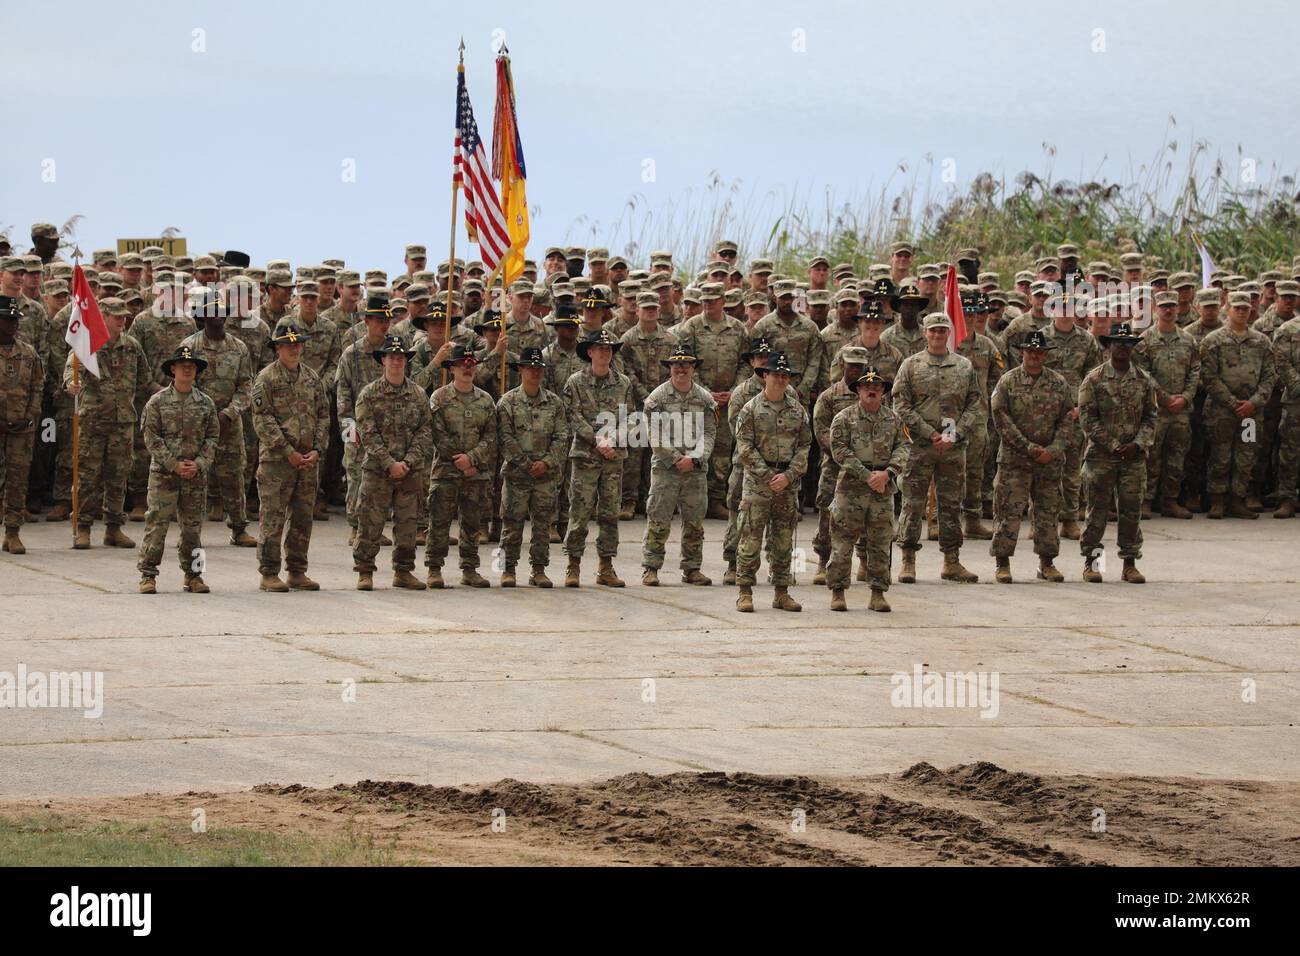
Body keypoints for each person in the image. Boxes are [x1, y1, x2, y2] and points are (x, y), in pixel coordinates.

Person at [891, 312, 983, 583]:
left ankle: (951, 561)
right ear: (925, 333)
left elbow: (974, 403)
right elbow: (901, 404)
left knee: (951, 504)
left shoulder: (964, 366)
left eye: (943, 330)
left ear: (949, 334)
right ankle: (908, 561)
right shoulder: (911, 365)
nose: (937, 335)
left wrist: (954, 434)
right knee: (912, 504)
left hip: (952, 448)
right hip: (919, 446)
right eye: (933, 330)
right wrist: (929, 432)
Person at [63, 297, 152, 550]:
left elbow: (145, 379)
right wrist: (71, 385)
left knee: (118, 476)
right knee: (87, 477)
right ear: (102, 317)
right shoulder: (86, 345)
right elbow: (70, 372)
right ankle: (83, 527)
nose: (122, 321)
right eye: (116, 317)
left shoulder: (131, 346)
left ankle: (114, 527)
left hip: (122, 421)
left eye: (124, 317)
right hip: (93, 421)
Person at [251, 320, 331, 591]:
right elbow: (263, 420)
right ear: (277, 348)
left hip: (308, 460)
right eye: (287, 345)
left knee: (302, 517)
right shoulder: (266, 379)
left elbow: (323, 414)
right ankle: (269, 572)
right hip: (277, 461)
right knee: (272, 517)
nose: (293, 349)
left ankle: (297, 570)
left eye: (297, 344)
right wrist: (288, 451)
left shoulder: (311, 378)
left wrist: (317, 450)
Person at [988, 330, 1072, 583]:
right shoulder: (1008, 381)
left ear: (1045, 354)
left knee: (1048, 512)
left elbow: (1068, 419)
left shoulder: (1059, 383)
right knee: (1007, 512)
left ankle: (1047, 563)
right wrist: (1029, 448)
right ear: (1022, 352)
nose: (1034, 355)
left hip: (1049, 461)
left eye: (1039, 351)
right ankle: (1002, 563)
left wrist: (1054, 450)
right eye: (1030, 351)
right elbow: (1000, 418)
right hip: (1015, 460)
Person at [1077, 323, 1158, 583]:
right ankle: (1094, 563)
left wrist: (1137, 444)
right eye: (1117, 343)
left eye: (1127, 344)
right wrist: (1112, 444)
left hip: (1134, 457)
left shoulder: (1144, 381)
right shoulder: (1094, 379)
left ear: (1133, 348)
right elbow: (1088, 419)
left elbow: (1151, 417)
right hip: (1101, 456)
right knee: (1097, 512)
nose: (1122, 348)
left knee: (1131, 512)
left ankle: (1129, 564)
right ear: (1108, 346)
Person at [732, 351, 811, 612]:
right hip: (758, 483)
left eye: (785, 375)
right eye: (775, 374)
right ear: (764, 376)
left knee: (783, 539)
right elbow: (744, 447)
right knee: (750, 538)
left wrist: (788, 476)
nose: (780, 379)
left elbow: (804, 445)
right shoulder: (750, 408)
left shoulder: (797, 410)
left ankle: (781, 591)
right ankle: (745, 591)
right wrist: (768, 476)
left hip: (787, 483)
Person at [137, 345, 220, 593]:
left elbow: (213, 437)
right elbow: (151, 437)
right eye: (182, 365)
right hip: (164, 476)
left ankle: (194, 576)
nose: (187, 369)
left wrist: (200, 463)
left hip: (195, 476)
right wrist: (173, 464)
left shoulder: (205, 403)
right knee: (157, 525)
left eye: (191, 366)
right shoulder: (158, 402)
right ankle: (148, 574)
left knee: (193, 529)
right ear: (172, 369)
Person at [352, 335, 431, 591]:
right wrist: (389, 463)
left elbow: (425, 431)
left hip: (409, 471)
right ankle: (365, 571)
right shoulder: (369, 394)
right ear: (383, 360)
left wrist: (407, 462)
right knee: (370, 522)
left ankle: (404, 571)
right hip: (377, 470)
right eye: (392, 357)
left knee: (408, 523)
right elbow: (367, 433)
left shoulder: (418, 394)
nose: (396, 362)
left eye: (401, 358)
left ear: (406, 361)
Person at [826, 368, 906, 612]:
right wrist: (865, 475)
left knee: (881, 543)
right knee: (842, 541)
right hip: (851, 487)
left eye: (877, 387)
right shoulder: (844, 418)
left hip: (882, 487)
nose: (871, 390)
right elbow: (838, 449)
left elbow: (904, 448)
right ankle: (838, 591)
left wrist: (888, 473)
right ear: (858, 390)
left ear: (883, 391)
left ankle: (878, 593)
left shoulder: (894, 419)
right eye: (866, 387)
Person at [181, 290, 256, 545]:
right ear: (202, 316)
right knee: (193, 480)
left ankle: (238, 528)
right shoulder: (189, 347)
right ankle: (190, 533)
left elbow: (246, 386)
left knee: (234, 477)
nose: (217, 318)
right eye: (211, 313)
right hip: (196, 426)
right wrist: (203, 415)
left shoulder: (239, 348)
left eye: (221, 313)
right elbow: (182, 385)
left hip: (229, 424)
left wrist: (230, 412)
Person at [640, 345, 717, 586]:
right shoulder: (657, 398)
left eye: (686, 364)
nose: (681, 368)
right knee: (659, 519)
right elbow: (653, 434)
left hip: (695, 471)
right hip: (666, 470)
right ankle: (651, 568)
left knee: (694, 522)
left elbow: (710, 433)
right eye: (676, 364)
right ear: (670, 367)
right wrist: (675, 458)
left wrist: (694, 459)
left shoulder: (705, 399)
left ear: (693, 367)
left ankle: (692, 568)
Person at [563, 328, 633, 587]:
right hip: (585, 456)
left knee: (609, 513)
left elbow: (629, 419)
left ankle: (606, 566)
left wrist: (612, 440)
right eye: (600, 348)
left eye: (609, 349)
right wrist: (597, 439)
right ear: (589, 352)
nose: (605, 353)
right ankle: (573, 565)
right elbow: (573, 416)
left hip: (613, 457)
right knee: (579, 512)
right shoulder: (575, 382)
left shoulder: (623, 383)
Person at [496, 347, 570, 587]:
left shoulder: (554, 402)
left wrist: (546, 463)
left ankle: (539, 570)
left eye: (539, 369)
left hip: (545, 476)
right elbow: (504, 438)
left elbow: (562, 436)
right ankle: (506, 569)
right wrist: (526, 464)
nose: (536, 372)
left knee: (542, 525)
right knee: (510, 523)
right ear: (521, 370)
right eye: (531, 368)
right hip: (517, 474)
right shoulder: (507, 402)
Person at [425, 344, 497, 588]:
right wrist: (460, 460)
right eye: (463, 365)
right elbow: (437, 435)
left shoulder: (486, 400)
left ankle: (470, 568)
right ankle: (434, 568)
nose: (468, 369)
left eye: (471, 365)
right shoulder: (440, 397)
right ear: (453, 368)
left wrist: (473, 459)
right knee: (439, 521)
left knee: (472, 523)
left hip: (475, 473)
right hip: (446, 471)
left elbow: (491, 437)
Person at [1200, 291, 1276, 519]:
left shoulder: (1262, 341)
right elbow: (1208, 376)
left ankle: (1237, 499)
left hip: (1252, 415)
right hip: (1221, 411)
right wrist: (1233, 403)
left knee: (1246, 455)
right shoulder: (1213, 341)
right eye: (1237, 308)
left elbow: (1269, 376)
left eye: (1245, 308)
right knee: (1220, 456)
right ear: (1228, 309)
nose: (1242, 312)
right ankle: (1217, 501)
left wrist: (1253, 404)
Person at [1133, 291, 1200, 519]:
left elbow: (1194, 372)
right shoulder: (1145, 340)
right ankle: (1147, 501)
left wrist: (1185, 398)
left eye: (1172, 306)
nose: (1168, 310)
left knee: (1177, 457)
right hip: (1155, 410)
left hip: (1181, 410)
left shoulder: (1189, 340)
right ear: (1156, 309)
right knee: (1151, 457)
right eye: (1164, 306)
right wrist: (1164, 397)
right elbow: (1143, 374)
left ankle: (1171, 500)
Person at [0, 296, 43, 554]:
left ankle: (13, 533)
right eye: (7, 320)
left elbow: (37, 387)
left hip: (21, 429)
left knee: (17, 480)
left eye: (15, 320)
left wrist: (31, 416)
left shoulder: (28, 352)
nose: (13, 325)